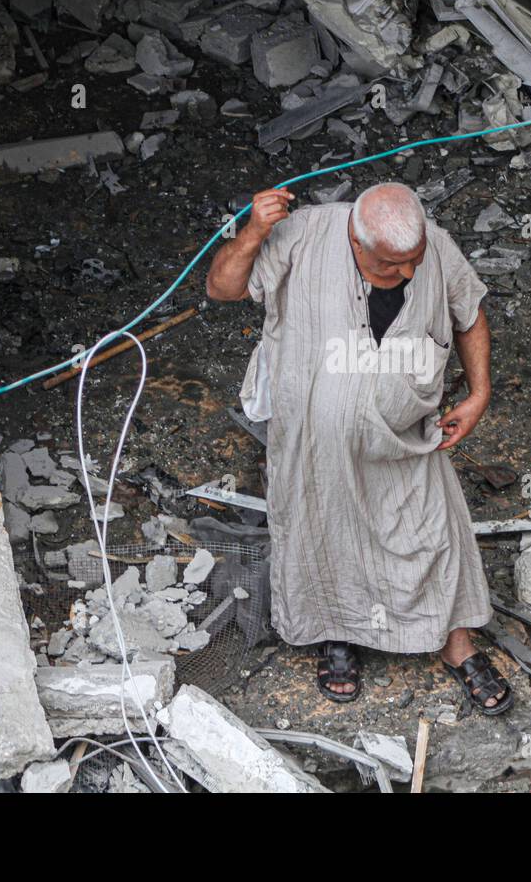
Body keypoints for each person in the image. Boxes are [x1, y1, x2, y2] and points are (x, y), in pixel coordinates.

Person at [205, 182, 512, 714]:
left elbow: (470, 314)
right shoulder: (302, 236)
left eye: (414, 261)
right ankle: (337, 635)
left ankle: (455, 643)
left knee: (434, 529)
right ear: (356, 241)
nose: (409, 274)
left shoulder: (433, 247)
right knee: (323, 532)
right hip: (314, 439)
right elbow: (222, 288)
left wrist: (480, 391)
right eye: (393, 265)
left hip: (405, 433)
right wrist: (254, 230)